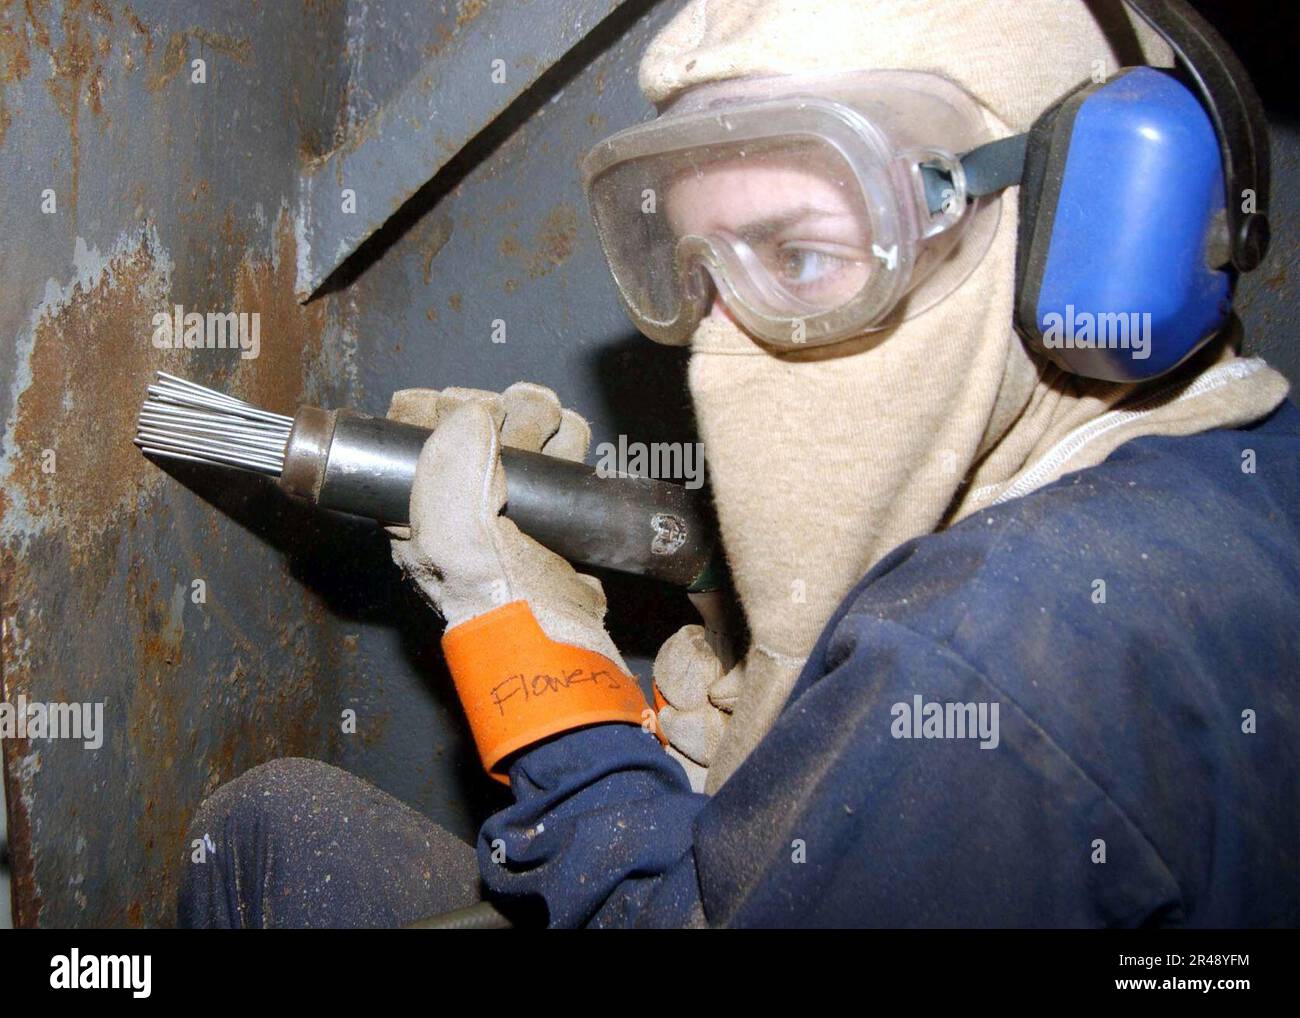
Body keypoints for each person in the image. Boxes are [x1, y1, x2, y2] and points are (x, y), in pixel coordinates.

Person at [179, 0, 1299, 929]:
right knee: (283, 827)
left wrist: (526, 649)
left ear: (1096, 226)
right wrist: (775, 722)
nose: (723, 354)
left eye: (803, 252)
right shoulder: (1229, 465)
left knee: (258, 845)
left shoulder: (980, 664)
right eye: (702, 263)